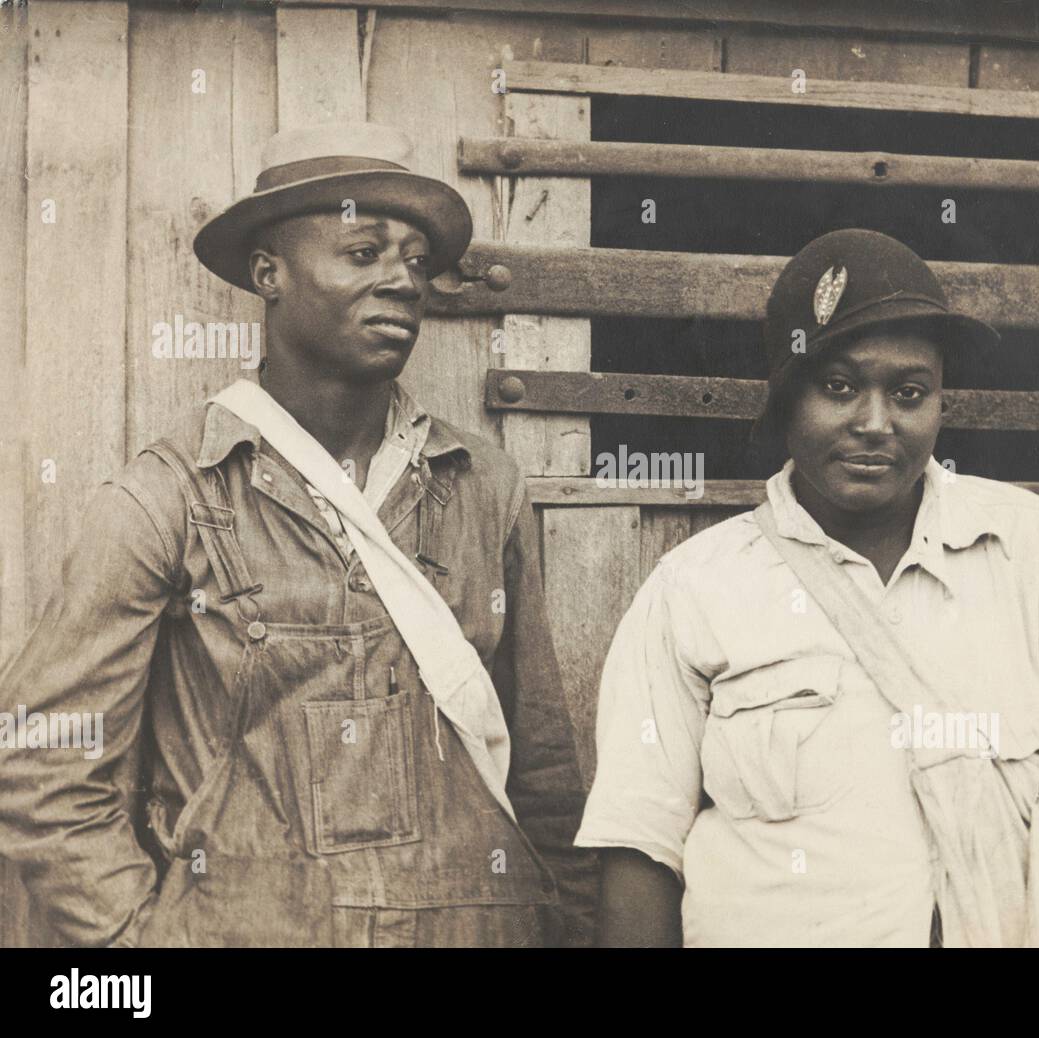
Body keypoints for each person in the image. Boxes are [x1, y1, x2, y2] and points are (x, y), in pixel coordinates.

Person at [0, 121, 596, 948]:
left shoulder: (482, 483)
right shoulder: (169, 497)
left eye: (416, 262)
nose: (402, 280)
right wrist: (142, 943)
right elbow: (44, 763)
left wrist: (571, 926)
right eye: (363, 253)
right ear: (269, 272)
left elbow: (544, 771)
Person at [575, 229, 1039, 948]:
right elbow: (639, 855)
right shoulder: (693, 590)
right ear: (784, 395)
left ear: (940, 403)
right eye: (838, 387)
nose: (874, 422)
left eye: (910, 392)